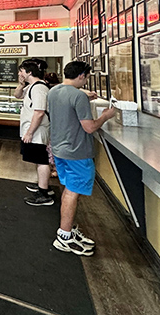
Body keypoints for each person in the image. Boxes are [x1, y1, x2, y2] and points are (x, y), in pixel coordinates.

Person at [48, 61, 116, 256]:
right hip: (76, 152)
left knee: (69, 189)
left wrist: (84, 94)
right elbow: (89, 127)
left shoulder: (54, 91)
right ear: (81, 76)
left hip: (60, 149)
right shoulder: (78, 97)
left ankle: (66, 229)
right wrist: (106, 116)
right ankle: (65, 236)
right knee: (72, 192)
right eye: (86, 77)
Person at [14, 59, 54, 206]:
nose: (19, 73)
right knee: (38, 160)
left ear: (29, 72)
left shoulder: (39, 88)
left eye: (21, 71)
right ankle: (42, 186)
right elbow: (17, 95)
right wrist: (21, 83)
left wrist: (30, 132)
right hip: (33, 131)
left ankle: (44, 194)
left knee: (42, 160)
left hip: (37, 132)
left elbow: (39, 112)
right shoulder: (32, 86)